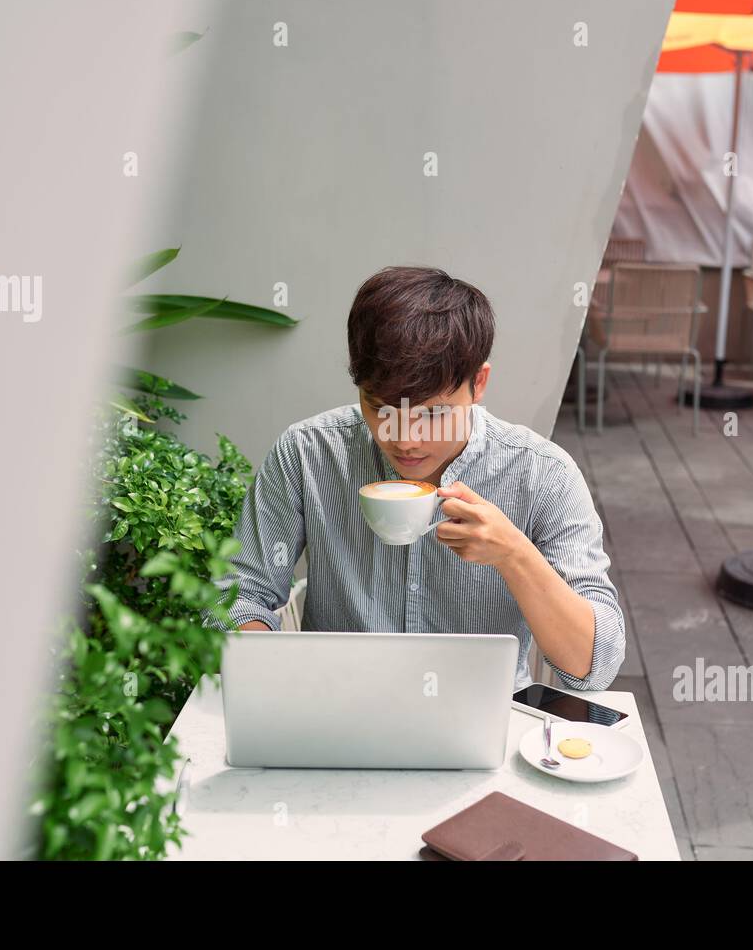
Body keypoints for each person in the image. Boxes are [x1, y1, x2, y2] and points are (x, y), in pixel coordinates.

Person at [221, 265, 625, 691]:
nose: (405, 439)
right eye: (379, 407)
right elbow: (239, 596)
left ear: (479, 383)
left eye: (432, 413)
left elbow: (594, 667)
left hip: (484, 722)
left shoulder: (543, 475)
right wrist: (277, 682)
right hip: (335, 709)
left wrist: (515, 556)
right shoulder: (307, 453)